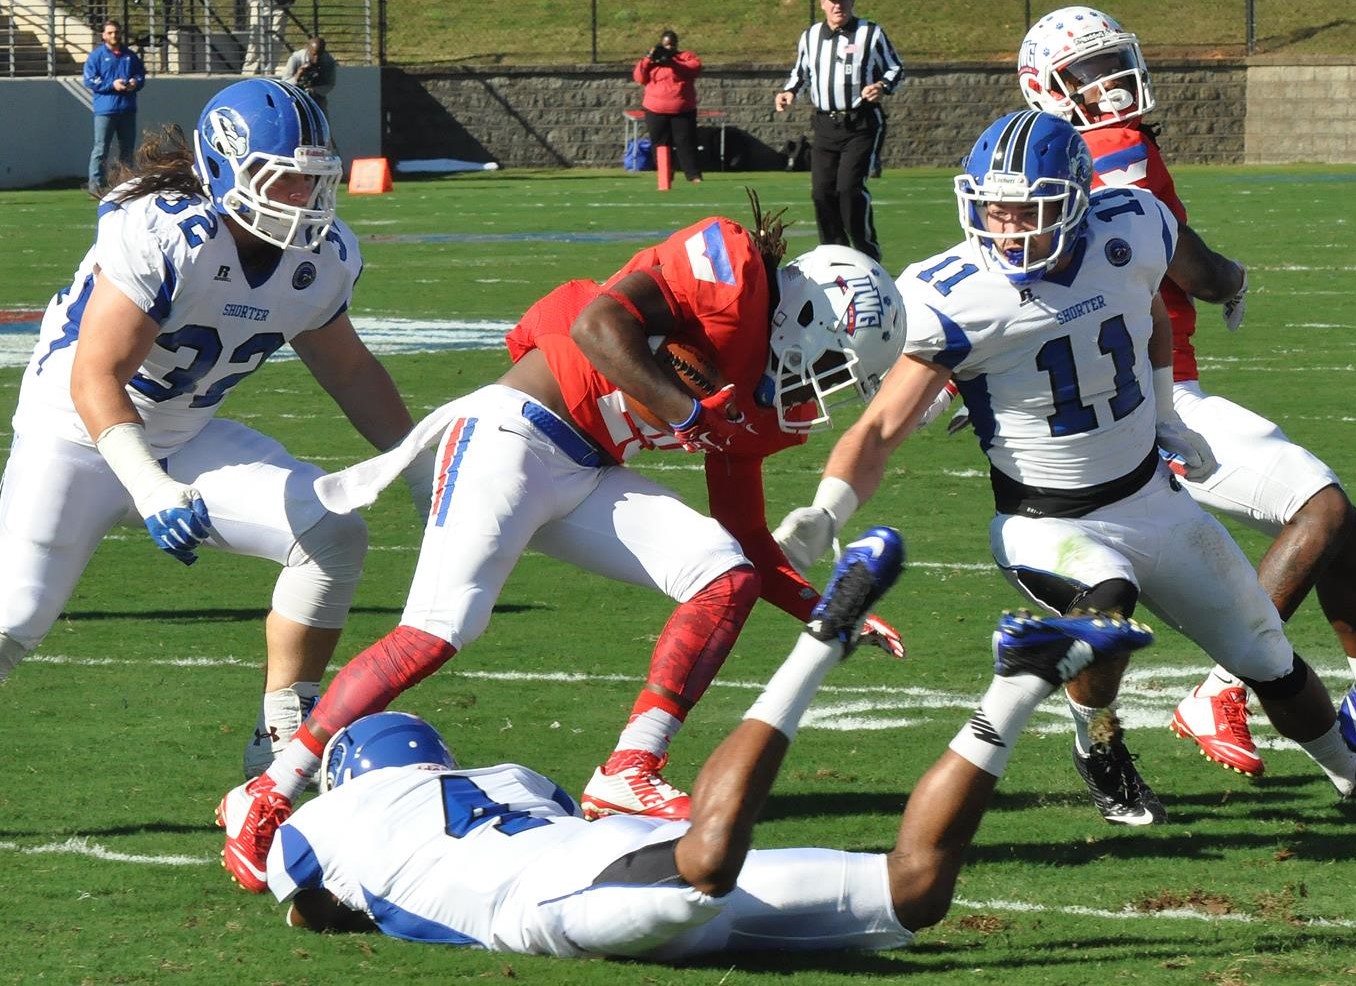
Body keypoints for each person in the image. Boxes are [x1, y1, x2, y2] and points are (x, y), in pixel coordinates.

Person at [218, 197, 909, 893]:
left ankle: (628, 772)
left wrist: (829, 608)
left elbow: (752, 542)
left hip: (586, 471)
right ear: (807, 313)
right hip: (510, 432)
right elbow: (597, 325)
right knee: (439, 628)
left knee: (724, 574)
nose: (825, 386)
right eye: (832, 362)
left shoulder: (755, 401)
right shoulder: (729, 270)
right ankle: (269, 792)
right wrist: (688, 410)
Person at [773, 110, 1356, 826]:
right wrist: (826, 510)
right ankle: (1098, 741)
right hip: (1043, 519)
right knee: (1104, 599)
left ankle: (1349, 773)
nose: (1009, 228)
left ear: (1077, 201)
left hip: (1151, 494)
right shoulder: (953, 294)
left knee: (1269, 656)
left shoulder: (1132, 224)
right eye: (995, 209)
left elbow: (1150, 313)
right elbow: (882, 427)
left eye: (1030, 211)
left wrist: (1167, 413)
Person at [265, 529, 1159, 957]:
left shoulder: (328, 820)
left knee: (704, 870)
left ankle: (822, 640)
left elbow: (307, 904)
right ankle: (1017, 681)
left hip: (553, 902)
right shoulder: (505, 775)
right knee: (912, 894)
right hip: (599, 852)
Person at [0, 79, 430, 782]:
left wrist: (417, 466)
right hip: (74, 431)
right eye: (282, 179)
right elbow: (94, 378)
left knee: (330, 533)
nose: (301, 198)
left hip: (184, 428)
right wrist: (150, 486)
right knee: (12, 617)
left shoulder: (318, 255)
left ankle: (282, 733)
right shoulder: (166, 230)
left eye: (310, 181)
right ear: (227, 168)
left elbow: (349, 370)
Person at [1017, 5, 1356, 779]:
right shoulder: (1117, 147)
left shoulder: (1054, 161)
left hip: (1109, 411)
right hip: (1164, 408)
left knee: (1345, 530)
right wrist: (1229, 277)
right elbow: (1181, 261)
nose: (1109, 84)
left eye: (1112, 64)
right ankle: (1221, 692)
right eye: (1088, 73)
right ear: (1048, 87)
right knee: (1322, 509)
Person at [774, 0, 904, 261]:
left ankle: (867, 254)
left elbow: (895, 69)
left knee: (849, 189)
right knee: (821, 192)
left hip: (860, 123)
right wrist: (789, 92)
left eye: (843, 0)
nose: (838, 6)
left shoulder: (871, 33)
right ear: (822, 4)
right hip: (825, 125)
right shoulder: (810, 37)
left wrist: (881, 86)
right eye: (832, 1)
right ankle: (836, 255)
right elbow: (800, 73)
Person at [82, 19, 146, 198]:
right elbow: (89, 80)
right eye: (110, 32)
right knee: (101, 148)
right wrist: (112, 84)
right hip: (106, 110)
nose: (114, 36)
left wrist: (135, 82)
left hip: (127, 109)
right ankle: (96, 186)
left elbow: (140, 75)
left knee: (127, 149)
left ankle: (125, 185)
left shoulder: (130, 56)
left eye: (116, 32)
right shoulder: (96, 56)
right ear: (103, 35)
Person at [632, 29, 704, 183]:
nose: (669, 47)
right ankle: (665, 175)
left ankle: (693, 175)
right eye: (666, 45)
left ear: (676, 44)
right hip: (655, 109)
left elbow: (694, 69)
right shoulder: (653, 62)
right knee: (659, 144)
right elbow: (639, 77)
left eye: (672, 44)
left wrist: (672, 62)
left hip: (682, 109)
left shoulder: (685, 57)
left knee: (686, 143)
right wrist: (648, 59)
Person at [282, 36, 337, 115]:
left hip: (317, 99)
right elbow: (284, 84)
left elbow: (330, 84)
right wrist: (297, 76)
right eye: (313, 55)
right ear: (308, 50)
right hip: (295, 99)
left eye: (320, 54)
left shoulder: (328, 61)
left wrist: (314, 90)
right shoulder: (296, 59)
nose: (316, 59)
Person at [242, 0, 294, 76]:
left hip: (281, 4)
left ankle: (269, 72)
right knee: (256, 39)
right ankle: (248, 73)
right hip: (259, 3)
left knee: (277, 40)